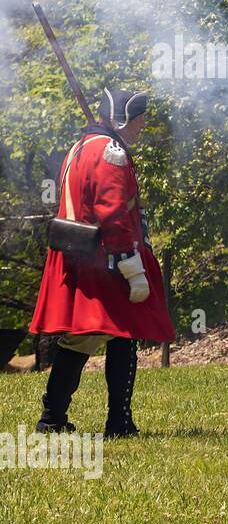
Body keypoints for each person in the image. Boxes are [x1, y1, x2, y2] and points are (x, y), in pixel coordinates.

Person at [30, 88, 176, 436]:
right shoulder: (111, 153)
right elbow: (112, 216)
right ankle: (118, 422)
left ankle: (53, 419)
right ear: (120, 119)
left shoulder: (82, 146)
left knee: (84, 339)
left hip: (82, 256)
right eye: (137, 118)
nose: (142, 125)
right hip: (105, 259)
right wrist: (132, 268)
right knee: (121, 335)